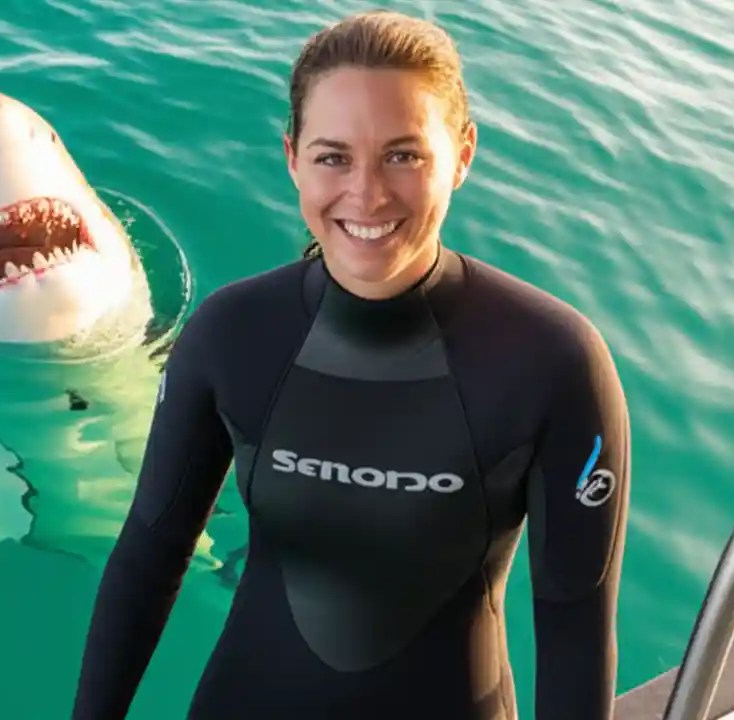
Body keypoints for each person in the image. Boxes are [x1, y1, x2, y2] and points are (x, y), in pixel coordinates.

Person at [71, 9, 631, 720]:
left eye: (404, 154)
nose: (366, 195)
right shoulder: (231, 334)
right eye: (334, 156)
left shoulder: (552, 361)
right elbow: (148, 561)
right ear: (292, 158)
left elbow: (575, 629)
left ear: (461, 154)